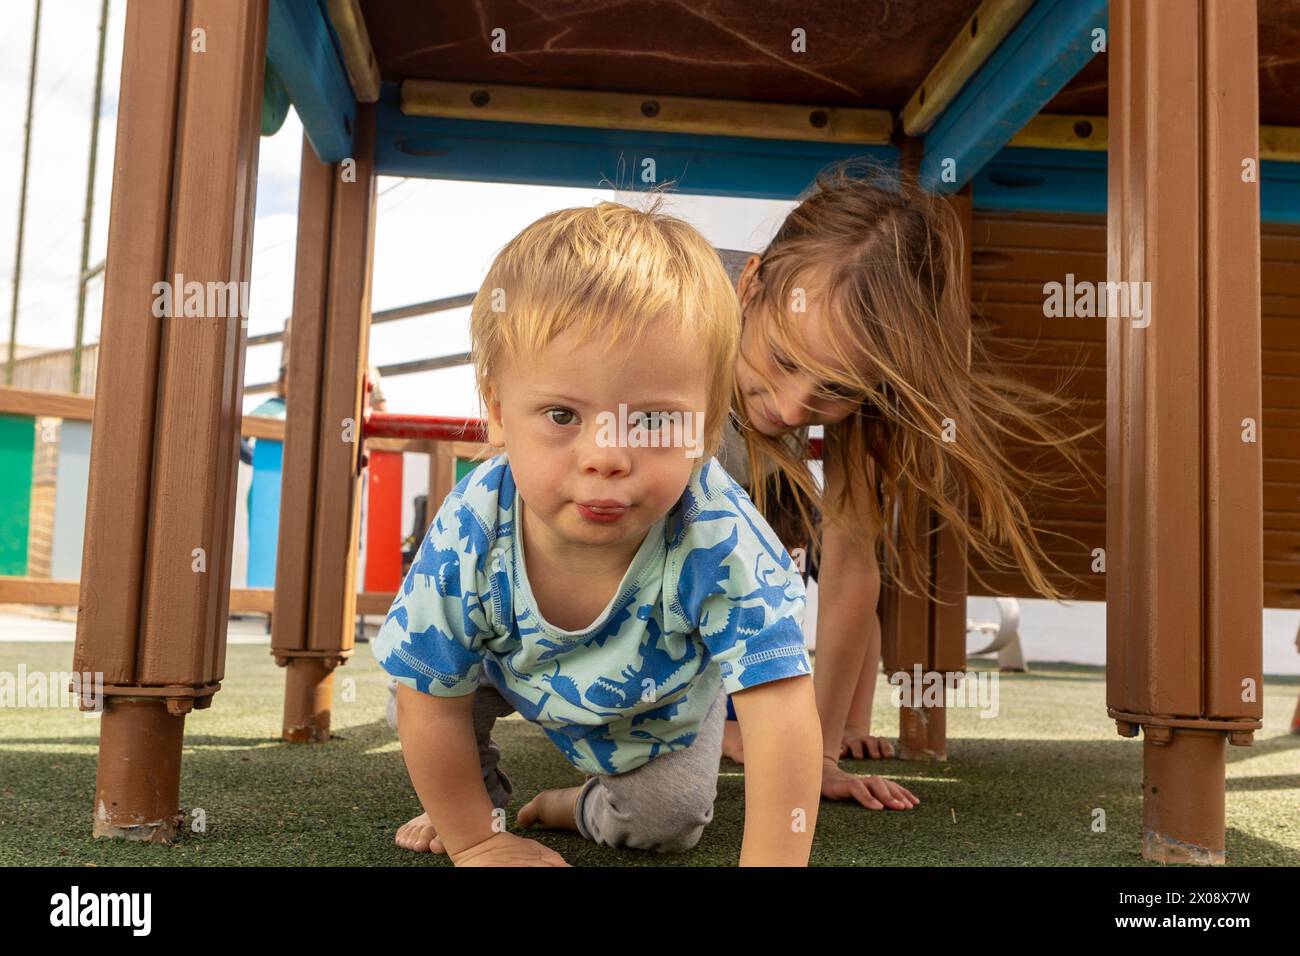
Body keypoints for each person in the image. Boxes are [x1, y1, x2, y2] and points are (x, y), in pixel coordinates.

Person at [372, 200, 827, 866]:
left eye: (654, 421)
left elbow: (781, 708)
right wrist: (476, 841)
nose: (607, 455)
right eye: (562, 415)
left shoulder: (719, 536)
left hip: (659, 699)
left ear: (707, 429)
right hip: (506, 670)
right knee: (419, 687)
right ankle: (479, 802)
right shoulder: (474, 525)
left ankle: (576, 805)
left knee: (670, 821)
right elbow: (428, 696)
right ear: (498, 412)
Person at [714, 160, 1095, 811]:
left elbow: (850, 566)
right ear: (751, 284)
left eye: (835, 389)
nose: (793, 405)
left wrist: (818, 755)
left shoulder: (857, 381)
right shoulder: (676, 313)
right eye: (784, 361)